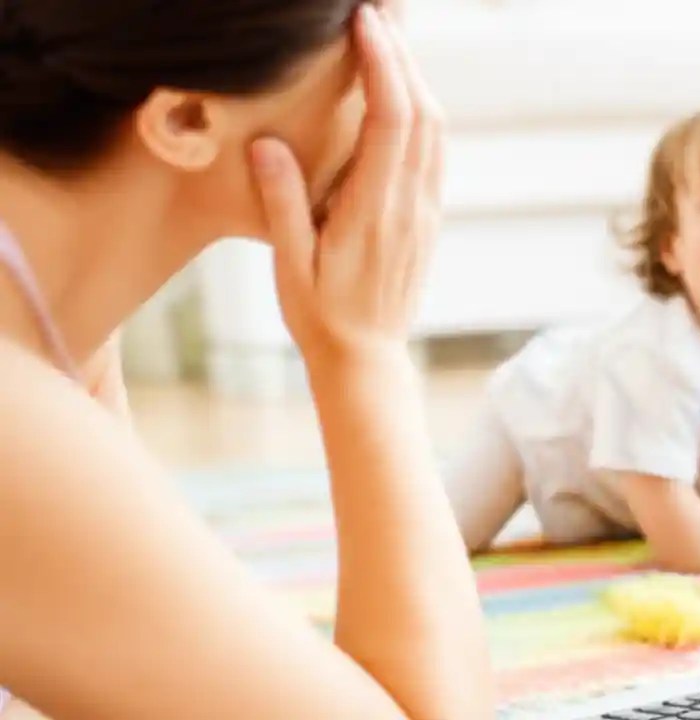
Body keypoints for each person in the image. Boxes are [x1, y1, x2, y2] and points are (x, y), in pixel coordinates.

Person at [0, 2, 494, 717]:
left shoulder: (52, 311)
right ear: (186, 119)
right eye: (371, 19)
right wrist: (362, 355)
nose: (404, 82)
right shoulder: (18, 423)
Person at [443, 97, 700, 577]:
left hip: (629, 488)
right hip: (537, 429)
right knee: (432, 545)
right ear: (671, 246)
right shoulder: (657, 357)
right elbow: (682, 543)